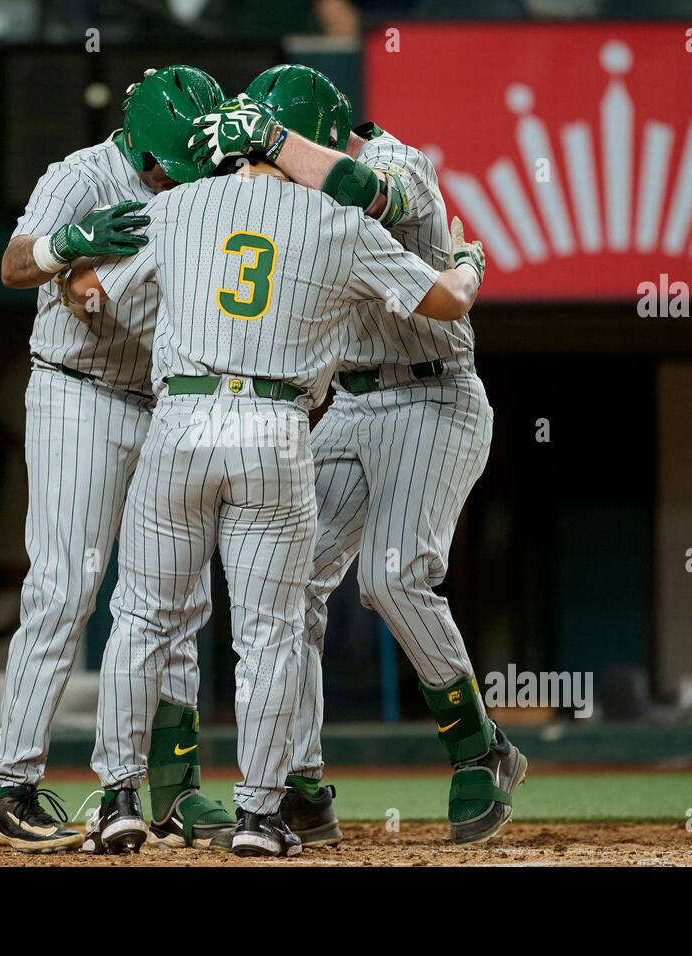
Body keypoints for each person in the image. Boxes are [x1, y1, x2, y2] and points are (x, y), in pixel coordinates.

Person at [64, 136, 486, 857]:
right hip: (277, 427)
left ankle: (120, 801)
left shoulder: (180, 204)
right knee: (272, 630)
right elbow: (446, 299)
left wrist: (73, 260)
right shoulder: (337, 221)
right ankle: (261, 815)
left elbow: (90, 294)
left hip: (181, 419)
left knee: (141, 618)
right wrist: (470, 260)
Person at [188, 65, 527, 848]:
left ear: (309, 128)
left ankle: (481, 747)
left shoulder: (397, 161)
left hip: (435, 396)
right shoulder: (287, 191)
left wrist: (275, 142)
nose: (264, 167)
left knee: (391, 576)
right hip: (353, 402)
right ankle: (302, 783)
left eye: (275, 145)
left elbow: (362, 193)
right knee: (292, 582)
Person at [0, 65, 234, 853]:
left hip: (163, 396)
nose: (172, 176)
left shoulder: (206, 182)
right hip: (77, 393)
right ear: (141, 139)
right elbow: (14, 266)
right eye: (165, 162)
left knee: (178, 601)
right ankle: (9, 785)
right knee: (65, 586)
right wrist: (69, 243)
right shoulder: (80, 174)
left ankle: (176, 787)